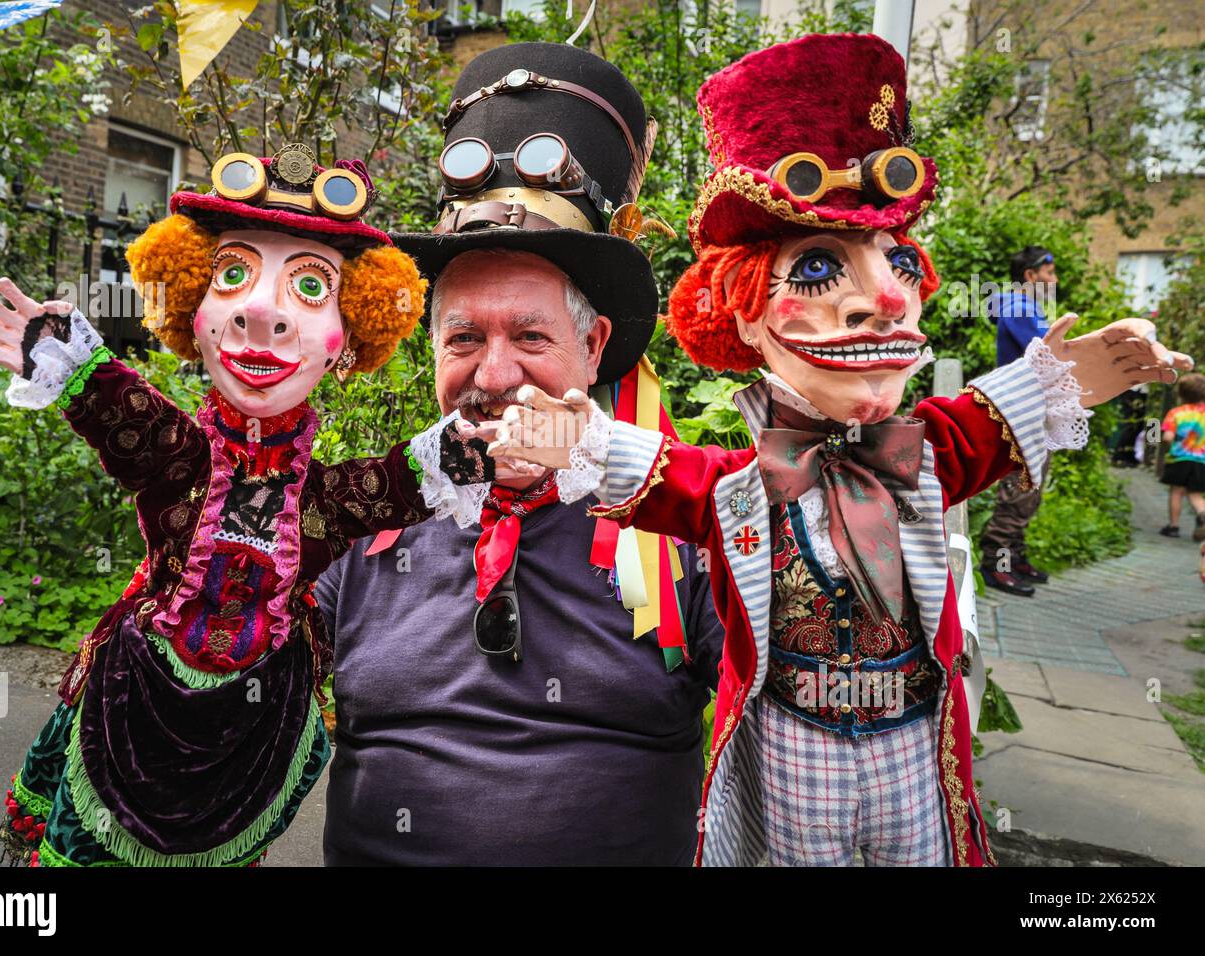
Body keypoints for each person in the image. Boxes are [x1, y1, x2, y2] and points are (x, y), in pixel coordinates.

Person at [478, 33, 1192, 867]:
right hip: (790, 755)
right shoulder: (739, 486)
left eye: (897, 263)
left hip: (909, 756)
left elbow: (999, 412)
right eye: (818, 270)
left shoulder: (931, 454)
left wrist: (1079, 370)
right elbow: (668, 474)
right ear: (744, 315)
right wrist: (573, 440)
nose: (884, 300)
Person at [0, 144, 497, 866]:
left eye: (310, 289)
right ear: (192, 309)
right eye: (234, 274)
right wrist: (67, 363)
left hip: (256, 727)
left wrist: (484, 441)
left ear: (347, 340)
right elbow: (122, 410)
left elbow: (398, 483)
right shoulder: (173, 456)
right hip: (135, 706)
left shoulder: (329, 501)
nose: (261, 315)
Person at [314, 43, 725, 866]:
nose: (495, 376)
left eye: (531, 336)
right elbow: (229, 670)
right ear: (430, 351)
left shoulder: (682, 531)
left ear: (594, 344)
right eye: (463, 338)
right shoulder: (357, 521)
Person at [980, 245, 1059, 595]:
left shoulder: (1028, 306)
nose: (1054, 280)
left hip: (1034, 410)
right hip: (1022, 412)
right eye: (1050, 273)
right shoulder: (1019, 307)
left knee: (1031, 487)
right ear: (1030, 276)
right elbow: (1048, 357)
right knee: (1020, 487)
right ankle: (995, 566)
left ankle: (1013, 558)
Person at [1158, 372, 1205, 540]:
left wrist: (1167, 444)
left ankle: (1173, 526)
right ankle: (1202, 513)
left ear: (1181, 393)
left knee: (1176, 492)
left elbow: (1167, 437)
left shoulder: (1176, 413)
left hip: (1179, 458)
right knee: (1196, 493)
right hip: (1201, 461)